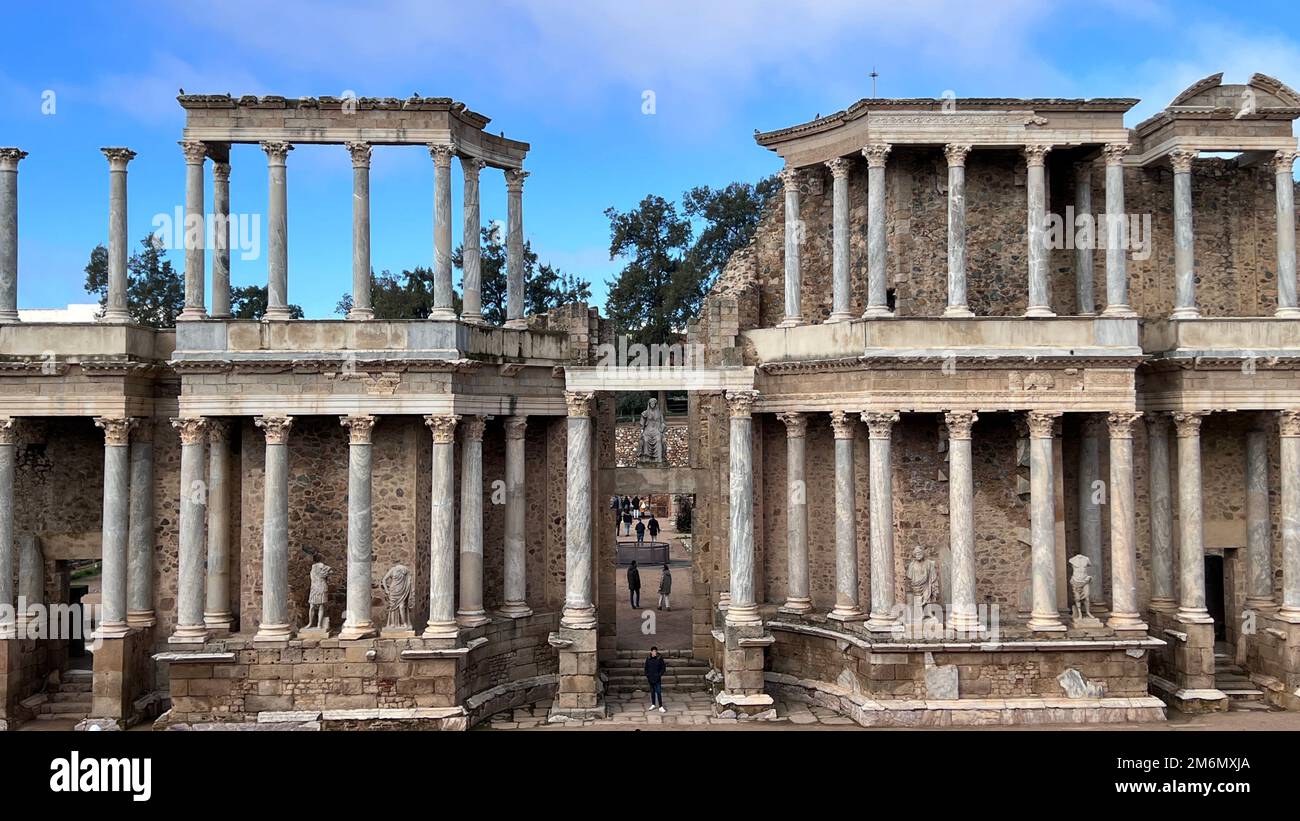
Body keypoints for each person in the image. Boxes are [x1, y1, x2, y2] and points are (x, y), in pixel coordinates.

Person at [645, 646, 667, 713]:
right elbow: (646, 668)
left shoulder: (659, 658)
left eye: (655, 651)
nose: (655, 653)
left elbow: (663, 668)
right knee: (652, 692)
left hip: (657, 678)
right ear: (651, 652)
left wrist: (659, 675)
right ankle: (653, 704)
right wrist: (648, 675)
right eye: (653, 651)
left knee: (658, 692)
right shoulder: (648, 658)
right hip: (651, 678)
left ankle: (660, 706)